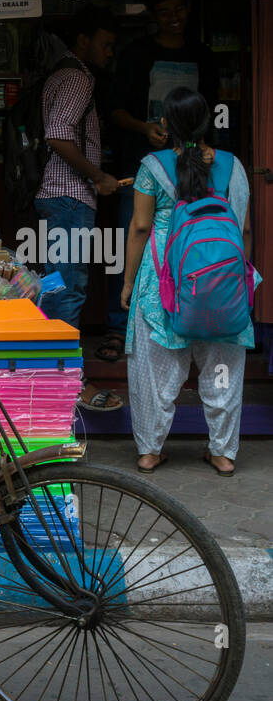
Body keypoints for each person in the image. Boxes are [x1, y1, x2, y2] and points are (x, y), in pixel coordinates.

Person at [121, 87, 252, 476]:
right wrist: (237, 278)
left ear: (165, 125)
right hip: (223, 281)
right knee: (222, 369)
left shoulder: (152, 166)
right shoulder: (233, 165)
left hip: (164, 280)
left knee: (154, 369)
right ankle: (223, 453)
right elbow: (244, 229)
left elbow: (142, 226)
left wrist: (128, 283)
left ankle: (149, 451)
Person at [103, 0, 218, 364]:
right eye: (165, 11)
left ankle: (191, 321)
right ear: (153, 16)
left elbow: (214, 110)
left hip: (193, 168)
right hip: (144, 168)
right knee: (132, 238)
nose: (174, 18)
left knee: (191, 243)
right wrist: (144, 128)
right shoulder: (137, 54)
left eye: (179, 9)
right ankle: (121, 327)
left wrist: (202, 148)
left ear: (189, 9)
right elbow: (115, 110)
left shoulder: (204, 55)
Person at [34, 3, 123, 412]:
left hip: (61, 197)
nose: (109, 52)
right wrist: (97, 176)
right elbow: (57, 135)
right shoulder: (76, 78)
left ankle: (52, 376)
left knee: (57, 289)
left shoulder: (61, 76)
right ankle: (67, 384)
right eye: (104, 44)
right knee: (67, 293)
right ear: (83, 42)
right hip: (69, 197)